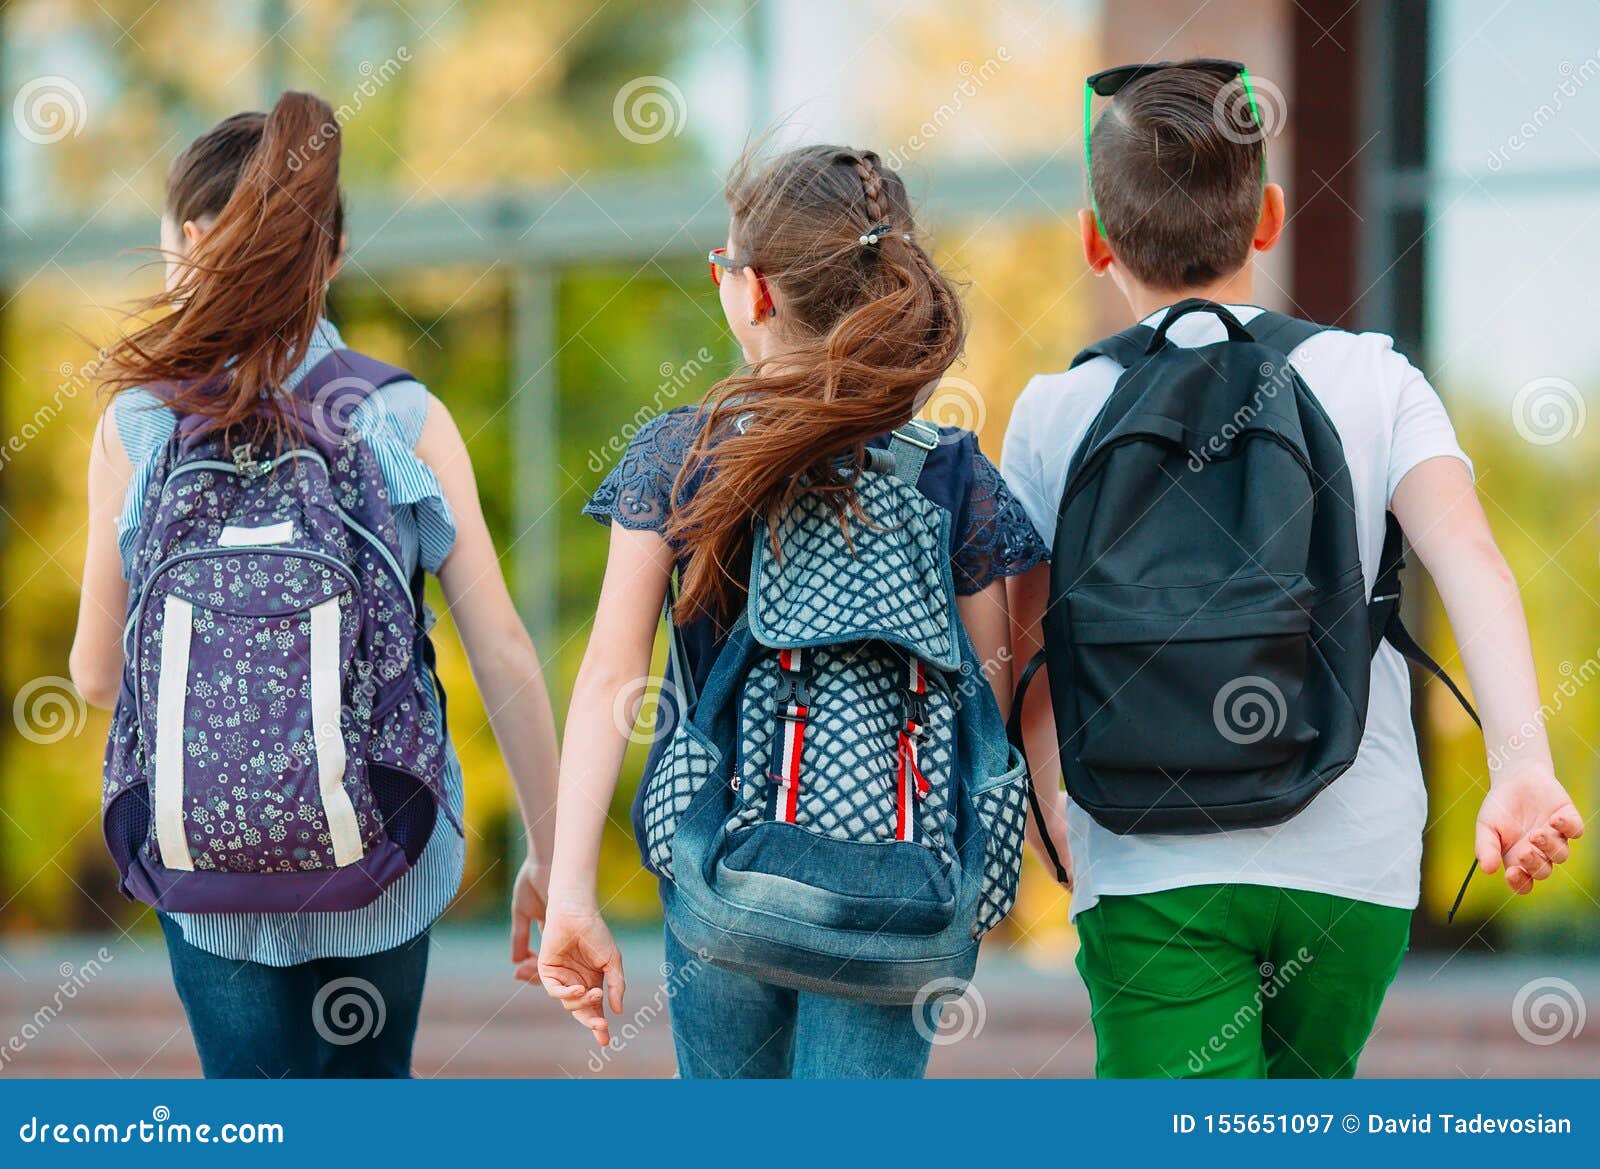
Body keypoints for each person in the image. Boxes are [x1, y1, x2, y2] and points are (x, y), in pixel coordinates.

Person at [1001, 59, 1584, 1078]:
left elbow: (1025, 646)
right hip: (1349, 860)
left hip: (1147, 855)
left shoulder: (1054, 411)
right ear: (1268, 217)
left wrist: (1057, 817)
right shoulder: (1376, 376)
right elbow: (1475, 565)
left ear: (1096, 239)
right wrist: (1521, 765)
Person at [532, 144, 1058, 1078]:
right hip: (900, 901)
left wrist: (570, 888)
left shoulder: (684, 456)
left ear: (757, 291)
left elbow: (613, 675)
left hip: (720, 876)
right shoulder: (951, 475)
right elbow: (988, 703)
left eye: (725, 263)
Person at [68, 92, 560, 1078]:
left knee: (252, 1116)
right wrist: (552, 856)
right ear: (330, 258)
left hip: (208, 868)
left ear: (189, 240)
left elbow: (93, 675)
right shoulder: (400, 414)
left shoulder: (139, 424)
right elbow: (502, 649)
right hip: (383, 848)